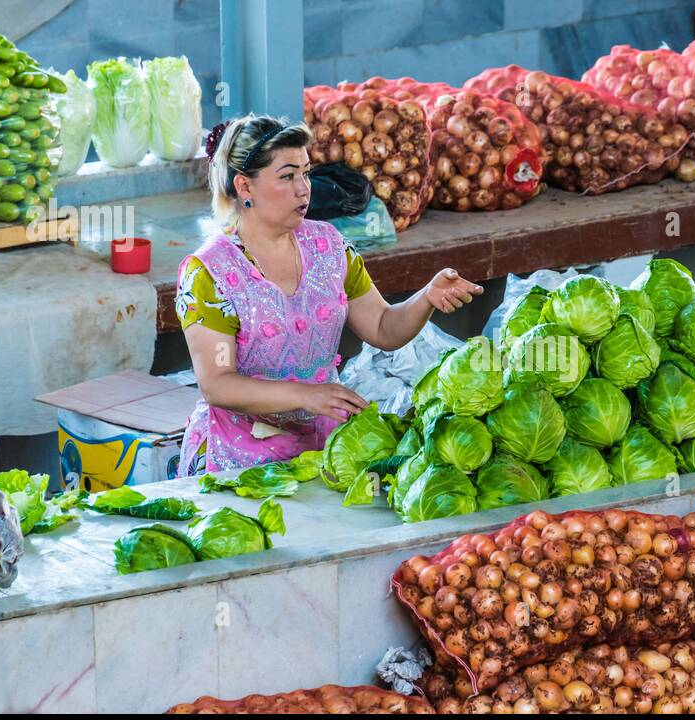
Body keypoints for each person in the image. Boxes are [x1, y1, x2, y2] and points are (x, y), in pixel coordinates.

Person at [175, 114, 483, 476]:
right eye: (287, 176)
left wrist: (427, 298)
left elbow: (384, 327)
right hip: (238, 461)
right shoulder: (210, 273)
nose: (304, 188)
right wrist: (307, 394)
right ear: (244, 187)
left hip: (322, 451)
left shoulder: (328, 247)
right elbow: (217, 384)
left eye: (305, 173)